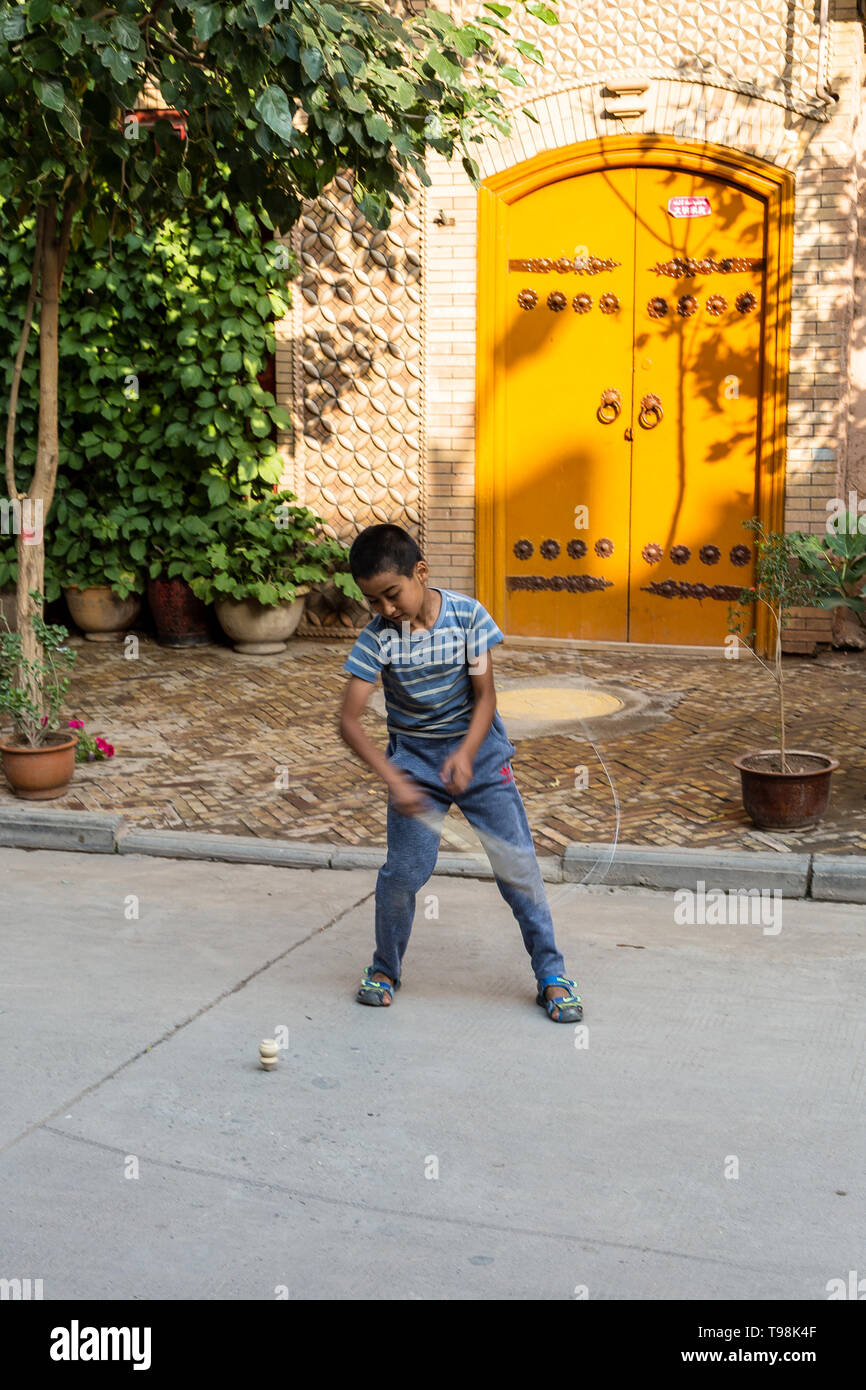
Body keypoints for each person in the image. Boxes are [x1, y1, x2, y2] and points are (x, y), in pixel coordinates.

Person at [337, 523, 583, 1023]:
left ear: (420, 573)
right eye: (372, 601)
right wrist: (394, 777)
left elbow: (485, 696)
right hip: (414, 764)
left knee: (518, 870)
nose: (385, 610)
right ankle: (385, 968)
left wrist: (468, 754)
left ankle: (552, 974)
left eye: (392, 594)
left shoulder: (468, 617)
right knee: (403, 874)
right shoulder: (377, 639)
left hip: (480, 754)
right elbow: (348, 719)